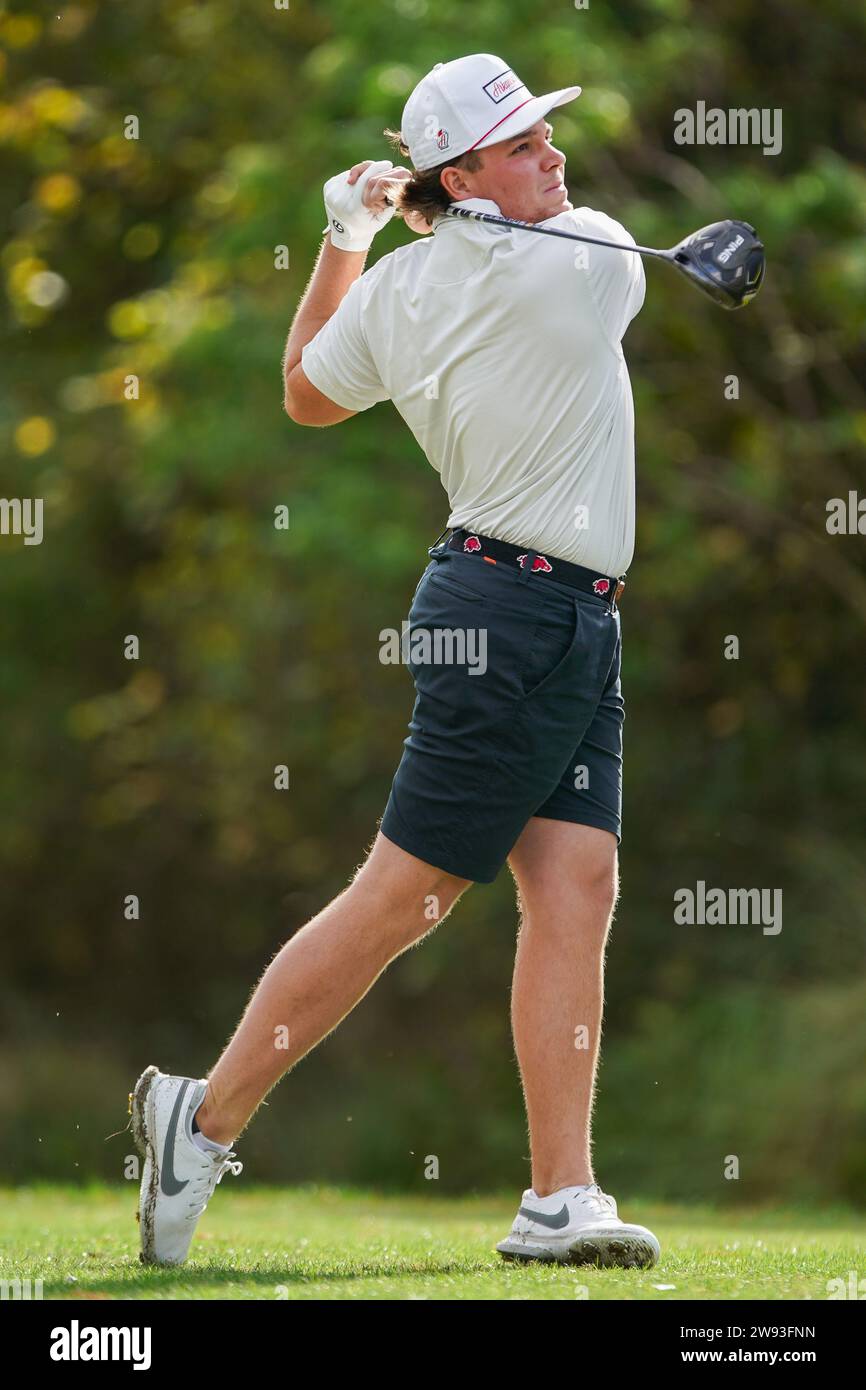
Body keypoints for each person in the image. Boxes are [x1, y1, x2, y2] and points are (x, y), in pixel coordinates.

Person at [129, 52, 659, 1271]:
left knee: (574, 885)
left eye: (544, 134)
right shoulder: (585, 258)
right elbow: (531, 256)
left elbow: (305, 393)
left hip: (549, 611)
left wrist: (344, 237)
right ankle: (201, 1122)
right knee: (403, 897)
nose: (552, 155)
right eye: (520, 144)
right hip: (513, 616)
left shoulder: (399, 288)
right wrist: (416, 224)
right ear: (460, 175)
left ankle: (558, 1196)